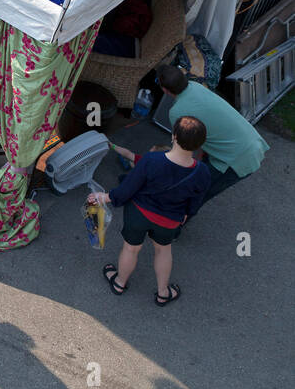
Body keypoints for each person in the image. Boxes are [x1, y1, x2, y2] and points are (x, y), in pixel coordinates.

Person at [89, 115, 212, 307]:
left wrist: (105, 197)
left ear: (174, 137)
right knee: (163, 251)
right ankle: (163, 293)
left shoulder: (151, 160)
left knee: (131, 248)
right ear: (200, 144)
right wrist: (187, 214)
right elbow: (196, 200)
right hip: (169, 220)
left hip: (139, 213)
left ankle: (120, 283)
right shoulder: (202, 172)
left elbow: (128, 188)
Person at [155, 64, 268, 206]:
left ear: (165, 90)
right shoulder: (195, 86)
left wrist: (154, 166)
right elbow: (207, 123)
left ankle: (172, 224)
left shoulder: (177, 113)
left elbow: (184, 150)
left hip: (235, 159)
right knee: (196, 182)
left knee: (197, 193)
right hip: (251, 142)